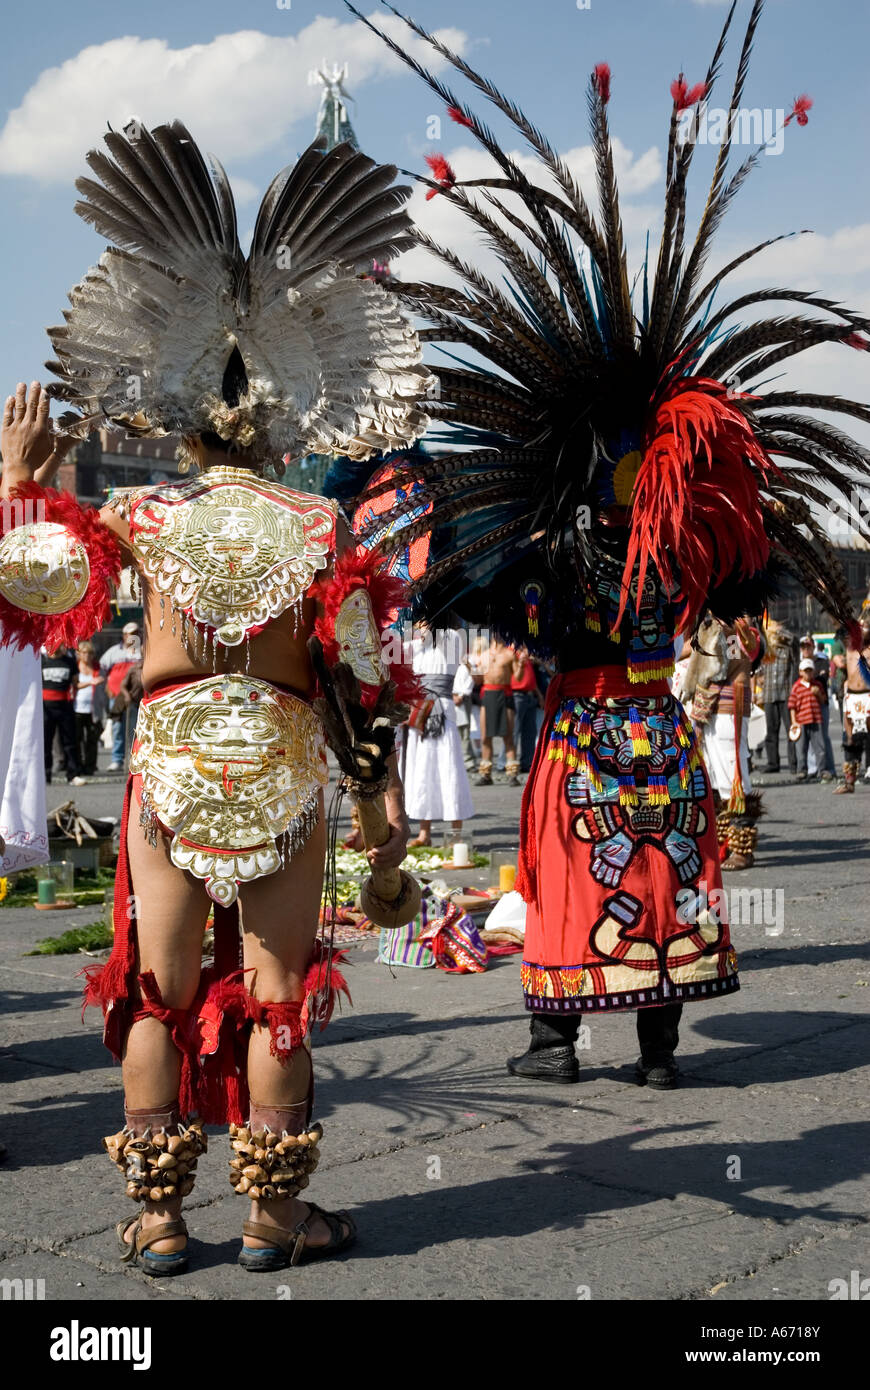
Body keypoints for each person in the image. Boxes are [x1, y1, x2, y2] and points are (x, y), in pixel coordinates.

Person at [351, 2, 870, 1090]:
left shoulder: (561, 554)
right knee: (664, 873)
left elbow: (482, 591)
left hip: (584, 733)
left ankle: (555, 1043)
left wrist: (449, 542)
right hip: (657, 735)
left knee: (574, 870)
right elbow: (738, 579)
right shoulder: (675, 551)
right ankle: (657, 1050)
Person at [0, 118, 432, 1273]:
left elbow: (39, 601)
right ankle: (274, 1223)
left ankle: (156, 1219)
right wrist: (386, 838)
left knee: (159, 985)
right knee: (280, 992)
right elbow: (359, 689)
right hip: (285, 760)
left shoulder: (144, 516)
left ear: (182, 408)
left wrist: (20, 487)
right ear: (290, 407)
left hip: (175, 765)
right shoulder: (321, 525)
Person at [684, 616, 765, 871]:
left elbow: (718, 668)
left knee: (732, 774)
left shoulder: (732, 627)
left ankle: (743, 849)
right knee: (718, 776)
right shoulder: (731, 627)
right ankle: (726, 843)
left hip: (727, 705)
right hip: (717, 706)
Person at [402, 626, 474, 845]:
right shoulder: (415, 647)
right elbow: (397, 650)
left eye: (426, 623)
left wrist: (427, 631)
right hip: (420, 710)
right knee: (422, 770)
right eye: (420, 623)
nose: (420, 628)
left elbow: (445, 638)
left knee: (449, 768)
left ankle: (455, 834)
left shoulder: (452, 639)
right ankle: (425, 833)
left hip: (442, 710)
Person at [41, 644, 87, 785]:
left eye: (59, 643)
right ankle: (45, 775)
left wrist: (88, 684)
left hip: (65, 706)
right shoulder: (42, 661)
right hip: (46, 708)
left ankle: (73, 774)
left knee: (69, 742)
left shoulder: (69, 661)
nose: (56, 646)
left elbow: (75, 684)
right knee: (45, 743)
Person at [833, 619, 870, 792]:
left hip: (867, 695)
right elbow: (837, 623)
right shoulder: (849, 648)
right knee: (850, 739)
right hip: (851, 697)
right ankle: (850, 781)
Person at [757, 619, 799, 774]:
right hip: (769, 694)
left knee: (791, 730)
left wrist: (778, 630)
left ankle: (794, 763)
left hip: (786, 693)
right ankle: (773, 763)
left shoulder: (788, 647)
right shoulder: (767, 649)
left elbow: (793, 639)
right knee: (771, 731)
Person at [477, 637, 519, 786]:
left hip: (504, 694)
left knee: (507, 736)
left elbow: (518, 677)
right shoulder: (483, 654)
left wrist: (521, 663)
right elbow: (477, 681)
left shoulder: (509, 654)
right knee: (485, 737)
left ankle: (512, 773)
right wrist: (470, 668)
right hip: (488, 694)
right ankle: (486, 774)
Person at [100, 623, 143, 771]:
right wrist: (106, 686)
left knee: (136, 728)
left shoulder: (143, 652)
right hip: (117, 696)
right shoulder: (113, 652)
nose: (134, 636)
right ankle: (117, 759)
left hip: (137, 697)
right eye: (131, 633)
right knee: (118, 728)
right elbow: (101, 670)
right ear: (124, 635)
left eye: (136, 633)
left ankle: (135, 758)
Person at [798, 633, 835, 780]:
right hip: (805, 705)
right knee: (806, 739)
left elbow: (823, 678)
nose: (806, 650)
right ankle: (813, 769)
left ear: (813, 647)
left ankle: (830, 768)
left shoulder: (821, 660)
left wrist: (811, 677)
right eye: (803, 647)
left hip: (820, 704)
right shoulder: (799, 663)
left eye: (808, 647)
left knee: (823, 737)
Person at [788, 659, 828, 780]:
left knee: (820, 747)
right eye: (806, 671)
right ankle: (802, 770)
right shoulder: (796, 687)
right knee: (801, 748)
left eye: (810, 671)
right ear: (800, 672)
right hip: (801, 721)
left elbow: (824, 701)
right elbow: (792, 706)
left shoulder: (817, 685)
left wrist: (818, 694)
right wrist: (794, 722)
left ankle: (822, 770)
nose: (808, 674)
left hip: (816, 719)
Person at [75, 640, 105, 776]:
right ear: (79, 654)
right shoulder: (75, 667)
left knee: (92, 739)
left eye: (89, 653)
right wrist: (90, 682)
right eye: (84, 653)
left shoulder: (97, 667)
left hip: (93, 708)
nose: (87, 656)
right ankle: (78, 765)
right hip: (77, 708)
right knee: (78, 738)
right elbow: (75, 685)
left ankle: (90, 766)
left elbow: (104, 679)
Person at [511, 647, 544, 775]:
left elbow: (531, 678)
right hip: (517, 694)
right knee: (515, 730)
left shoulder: (526, 653)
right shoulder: (513, 652)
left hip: (530, 695)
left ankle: (527, 763)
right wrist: (520, 662)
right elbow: (516, 677)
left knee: (530, 731)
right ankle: (511, 762)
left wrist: (539, 695)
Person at [452, 654, 477, 774]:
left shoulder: (468, 659)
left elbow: (473, 678)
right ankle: (464, 758)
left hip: (462, 698)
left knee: (464, 731)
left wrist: (461, 696)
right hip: (449, 697)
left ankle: (468, 761)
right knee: (453, 731)